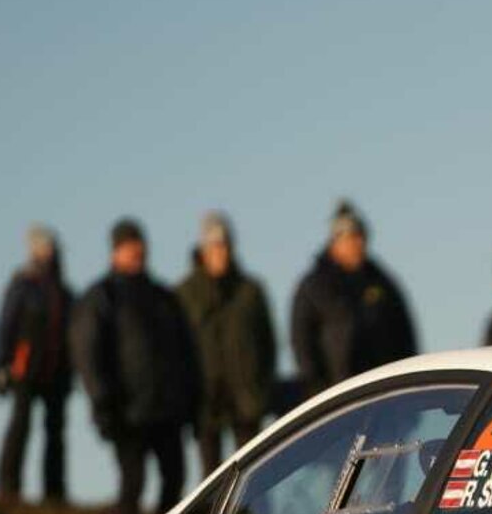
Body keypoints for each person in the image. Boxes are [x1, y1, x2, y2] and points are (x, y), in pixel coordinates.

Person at [71, 218, 200, 514]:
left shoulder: (163, 297)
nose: (136, 251)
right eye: (129, 245)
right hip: (125, 411)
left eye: (139, 244)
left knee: (175, 477)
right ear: (116, 251)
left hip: (166, 409)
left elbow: (186, 353)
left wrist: (190, 400)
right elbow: (88, 352)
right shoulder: (102, 297)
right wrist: (102, 402)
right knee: (133, 482)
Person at [176, 211, 276, 478]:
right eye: (215, 245)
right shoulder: (185, 294)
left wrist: (261, 386)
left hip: (246, 397)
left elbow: (268, 343)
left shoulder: (250, 290)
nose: (221, 252)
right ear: (203, 250)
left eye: (225, 245)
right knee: (211, 477)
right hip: (205, 400)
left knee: (252, 474)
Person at [290, 199, 418, 398]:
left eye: (361, 237)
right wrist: (318, 391)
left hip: (383, 393)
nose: (359, 244)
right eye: (352, 238)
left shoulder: (382, 283)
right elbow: (302, 342)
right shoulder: (314, 286)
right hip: (336, 394)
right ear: (335, 242)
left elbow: (404, 335)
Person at [0, 225, 73, 502]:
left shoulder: (64, 291)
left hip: (57, 371)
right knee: (20, 426)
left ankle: (55, 494)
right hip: (25, 369)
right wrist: (0, 364)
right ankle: (8, 490)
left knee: (55, 434)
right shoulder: (23, 285)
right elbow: (6, 324)